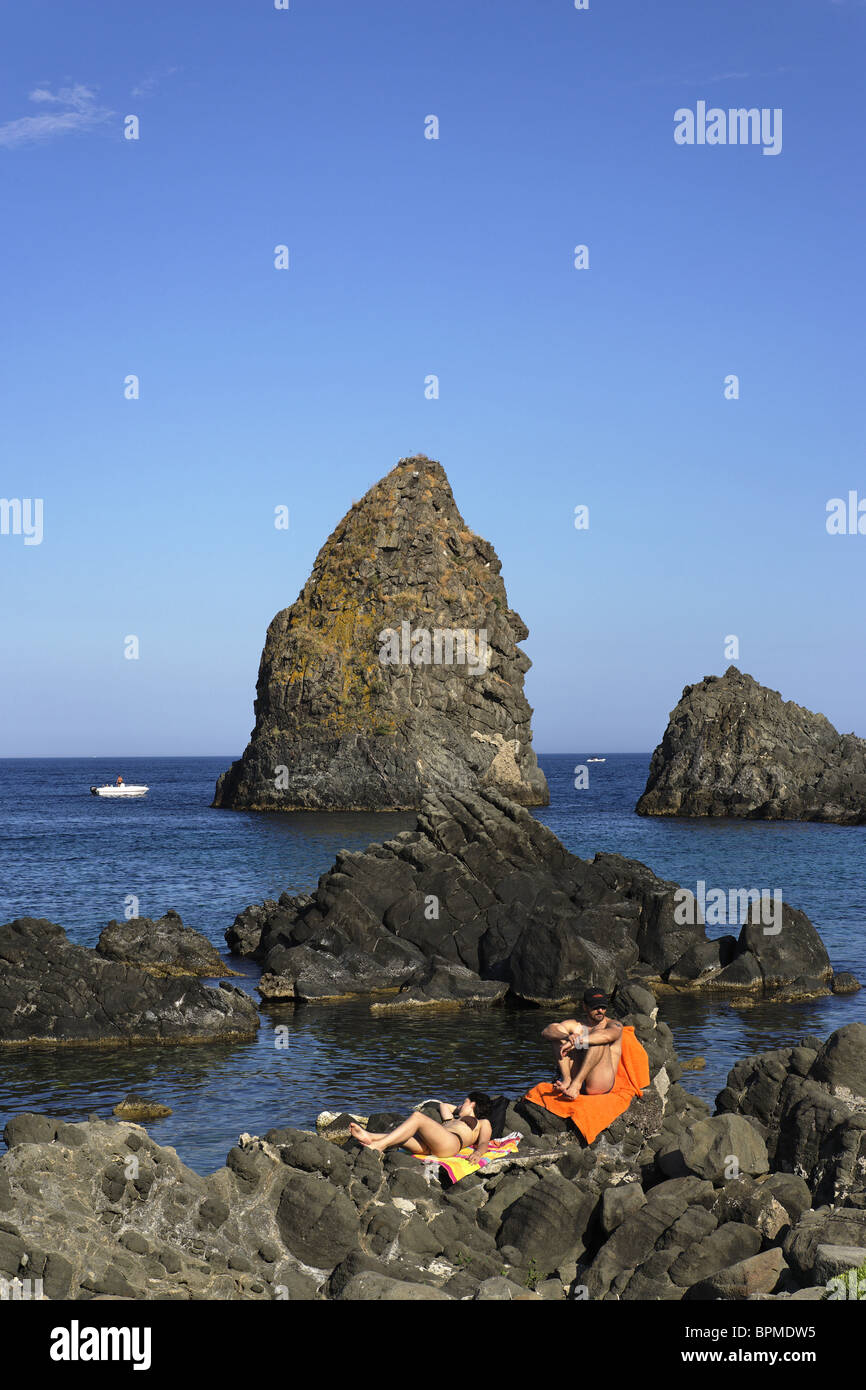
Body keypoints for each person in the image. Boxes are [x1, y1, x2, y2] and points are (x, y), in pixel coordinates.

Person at [349, 1092, 494, 1158]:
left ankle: (380, 1145)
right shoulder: (452, 1120)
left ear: (473, 1104)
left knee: (418, 1117)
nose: (460, 1105)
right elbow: (443, 1106)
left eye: (464, 1102)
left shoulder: (482, 1123)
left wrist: (478, 1153)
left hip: (451, 1143)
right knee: (404, 1136)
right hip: (431, 1146)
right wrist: (460, 1110)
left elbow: (484, 1142)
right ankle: (370, 1136)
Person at [541, 989, 624, 1099]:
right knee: (558, 1036)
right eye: (595, 1007)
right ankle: (566, 1080)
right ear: (584, 1006)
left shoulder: (613, 1024)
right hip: (573, 1076)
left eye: (603, 1007)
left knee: (598, 1040)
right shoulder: (577, 1025)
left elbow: (608, 1035)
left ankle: (576, 1084)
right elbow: (547, 1031)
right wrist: (566, 1037)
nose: (600, 1011)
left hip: (599, 1084)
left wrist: (576, 1042)